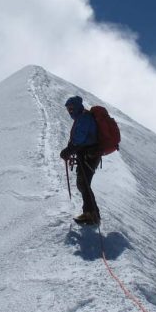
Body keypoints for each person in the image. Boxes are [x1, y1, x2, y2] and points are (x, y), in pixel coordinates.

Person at [60, 95, 101, 225]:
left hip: (88, 155)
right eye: (68, 109)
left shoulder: (84, 118)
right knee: (83, 184)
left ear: (77, 106)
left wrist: (69, 150)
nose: (70, 111)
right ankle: (92, 214)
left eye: (71, 108)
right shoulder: (81, 118)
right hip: (87, 155)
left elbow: (80, 138)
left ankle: (91, 215)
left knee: (83, 184)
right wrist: (71, 150)